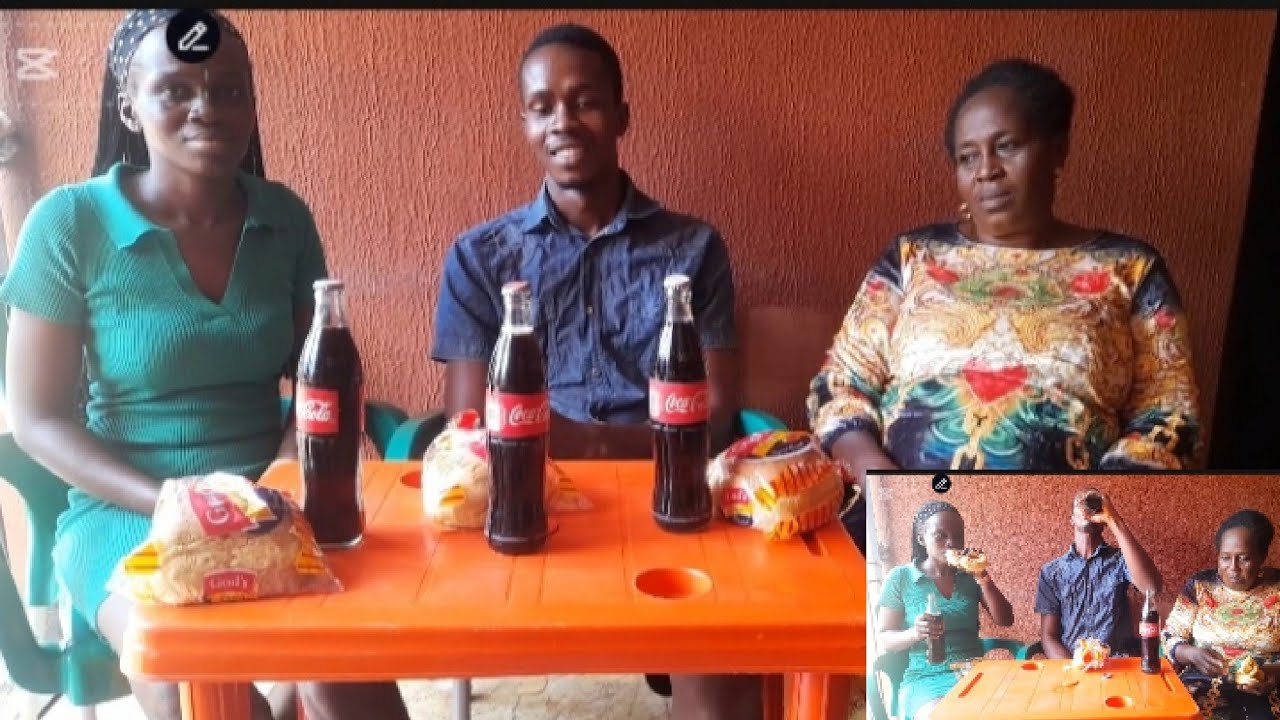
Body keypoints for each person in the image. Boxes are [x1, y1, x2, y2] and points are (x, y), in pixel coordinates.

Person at [0, 10, 409, 720]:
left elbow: (324, 385)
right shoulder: (69, 225)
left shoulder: (285, 219)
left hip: (269, 500)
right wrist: (168, 500)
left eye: (229, 90)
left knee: (350, 675)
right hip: (128, 511)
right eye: (176, 90)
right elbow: (36, 420)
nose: (207, 109)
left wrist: (285, 478)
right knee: (189, 677)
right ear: (129, 103)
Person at [429, 22, 748, 720]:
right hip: (528, 497)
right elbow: (468, 423)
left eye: (585, 101)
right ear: (524, 124)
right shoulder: (481, 257)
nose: (563, 122)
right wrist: (563, 450)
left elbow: (716, 409)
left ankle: (677, 655)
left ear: (623, 116)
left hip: (670, 493)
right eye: (543, 107)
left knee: (726, 668)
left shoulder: (692, 248)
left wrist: (594, 444)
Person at [807, 57, 1201, 552]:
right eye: (968, 157)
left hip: (1056, 535)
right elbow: (840, 386)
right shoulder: (914, 257)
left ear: (1058, 150)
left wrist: (1081, 519)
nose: (987, 171)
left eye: (1007, 146)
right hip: (887, 522)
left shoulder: (1131, 269)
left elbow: (1170, 422)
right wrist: (892, 491)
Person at [876, 501, 1014, 720]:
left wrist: (984, 579)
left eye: (958, 535)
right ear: (922, 539)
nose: (952, 543)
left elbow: (1005, 619)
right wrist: (914, 633)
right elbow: (884, 638)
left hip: (974, 673)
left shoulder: (969, 575)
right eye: (940, 535)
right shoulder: (900, 578)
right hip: (926, 677)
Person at [1162, 510, 1280, 720]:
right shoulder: (1201, 585)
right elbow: (1170, 636)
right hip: (1202, 682)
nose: (1233, 568)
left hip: (1268, 687)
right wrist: (1191, 654)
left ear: (1261, 557)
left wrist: (1276, 673)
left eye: (1244, 559)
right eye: (1225, 558)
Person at [1034, 488, 1162, 659]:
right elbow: (1049, 637)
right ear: (1071, 519)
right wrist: (1073, 668)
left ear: (1104, 522)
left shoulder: (1120, 560)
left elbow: (1151, 588)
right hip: (1071, 664)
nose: (1087, 507)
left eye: (1095, 506)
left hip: (1117, 665)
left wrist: (1113, 519)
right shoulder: (1052, 572)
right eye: (1081, 502)